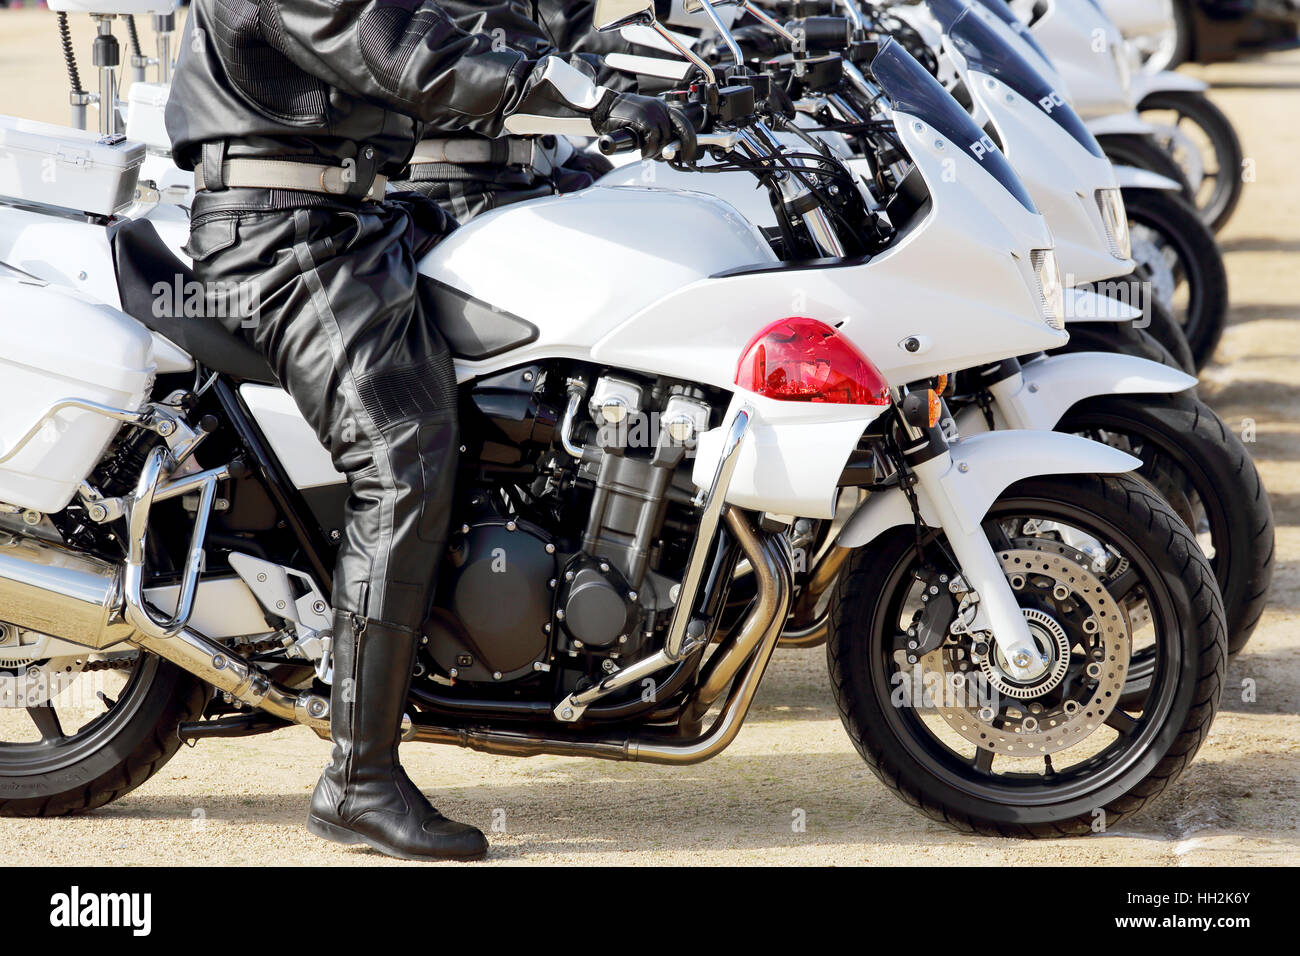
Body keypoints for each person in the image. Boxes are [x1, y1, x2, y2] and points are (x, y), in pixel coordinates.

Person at [165, 0, 694, 862]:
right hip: (284, 236)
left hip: (354, 215)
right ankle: (358, 778)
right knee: (400, 456)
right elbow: (407, 54)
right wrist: (585, 96)